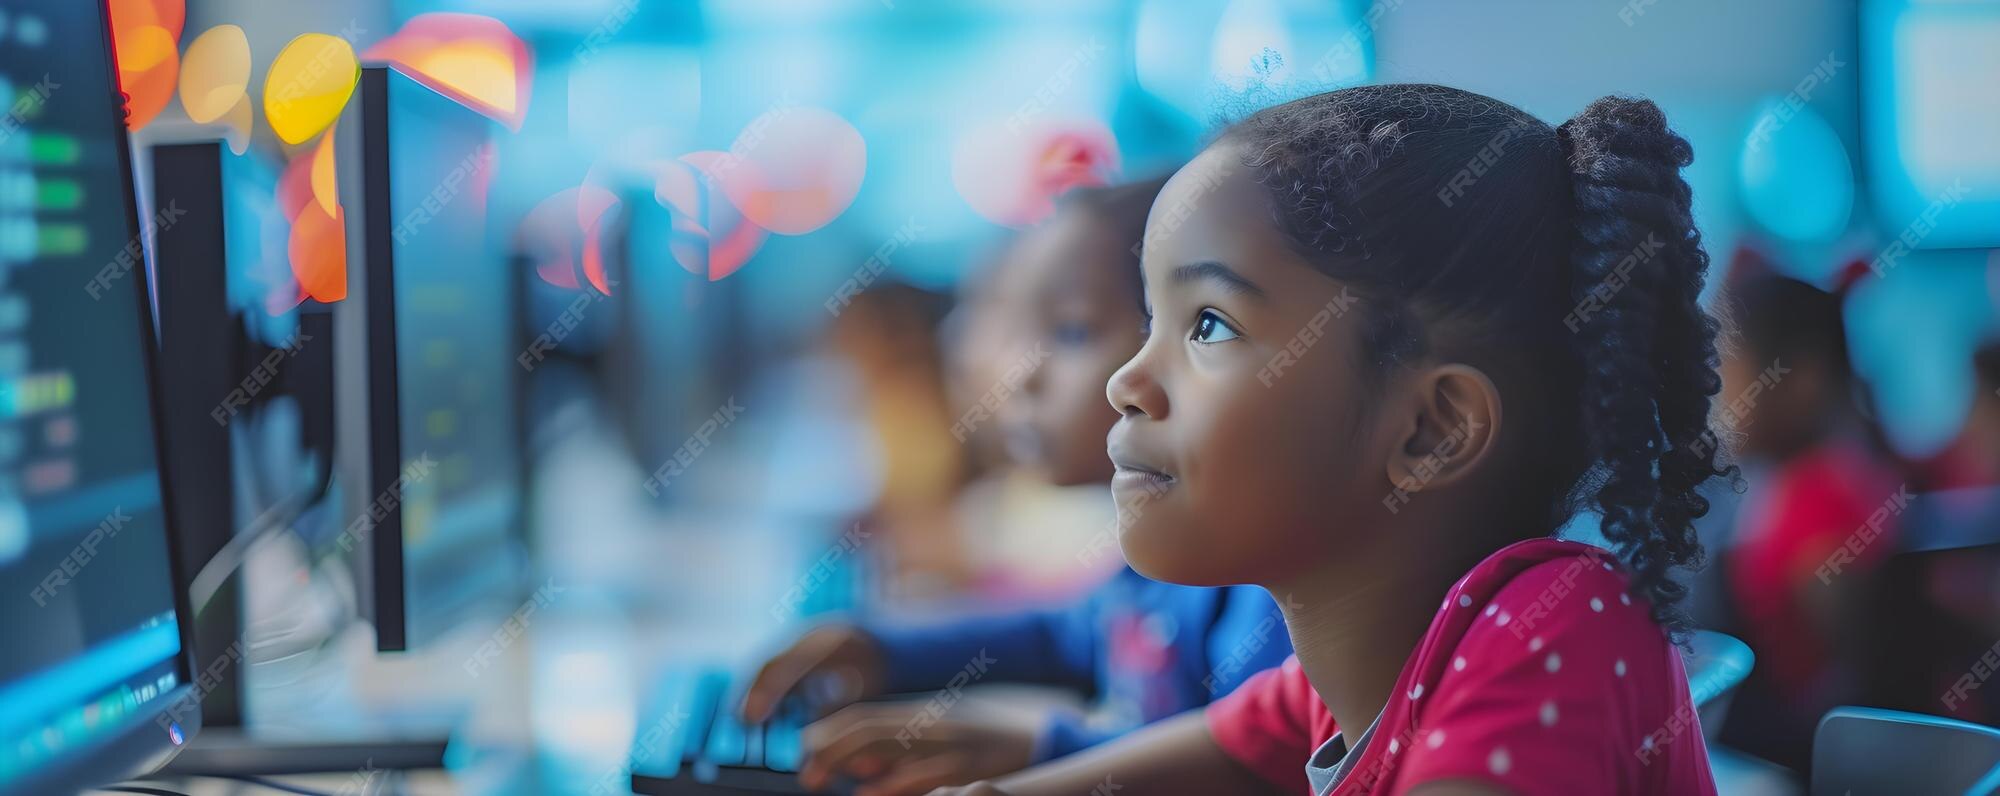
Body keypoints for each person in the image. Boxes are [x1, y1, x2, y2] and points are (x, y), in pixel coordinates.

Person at [934, 84, 1728, 795]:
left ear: (1432, 430)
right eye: (1151, 322)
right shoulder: (1342, 685)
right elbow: (1228, 760)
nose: (1126, 383)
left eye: (1209, 325)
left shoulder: (1555, 624)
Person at [740, 177, 1294, 796]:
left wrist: (1040, 750)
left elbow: (1248, 771)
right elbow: (1068, 634)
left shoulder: (1262, 600)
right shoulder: (1160, 563)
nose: (1021, 375)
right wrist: (884, 649)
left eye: (1071, 332)